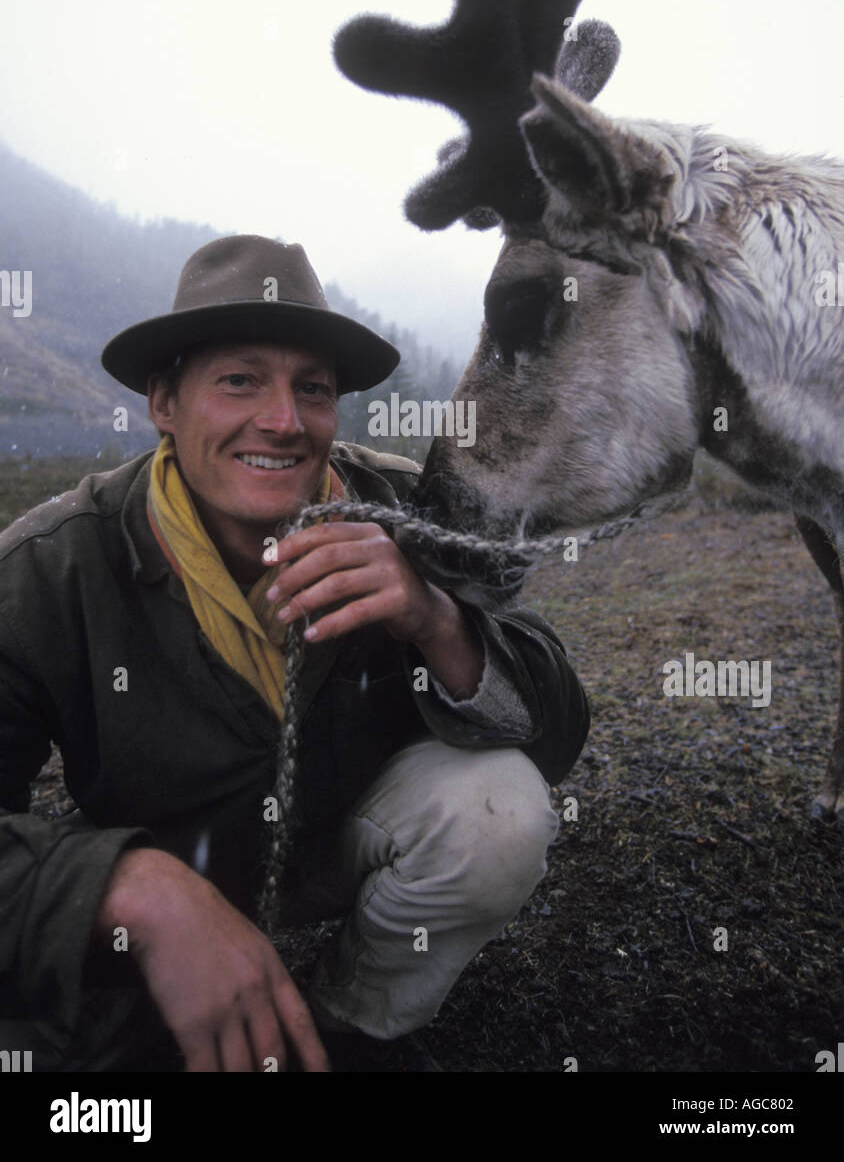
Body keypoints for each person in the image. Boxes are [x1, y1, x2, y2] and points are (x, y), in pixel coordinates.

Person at [0, 234, 589, 1073]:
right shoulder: (51, 567)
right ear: (164, 401)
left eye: (312, 389)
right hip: (162, 862)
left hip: (337, 844)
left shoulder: (405, 511)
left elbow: (559, 732)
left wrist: (432, 618)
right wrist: (133, 891)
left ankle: (349, 1026)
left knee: (502, 808)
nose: (282, 421)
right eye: (240, 380)